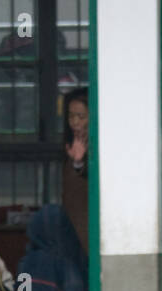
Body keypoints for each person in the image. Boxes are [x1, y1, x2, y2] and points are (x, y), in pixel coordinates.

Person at [61, 87, 91, 260]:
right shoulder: (71, 143)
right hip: (72, 221)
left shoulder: (97, 142)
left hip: (87, 221)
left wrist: (79, 162)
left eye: (81, 116)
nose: (74, 122)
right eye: (71, 116)